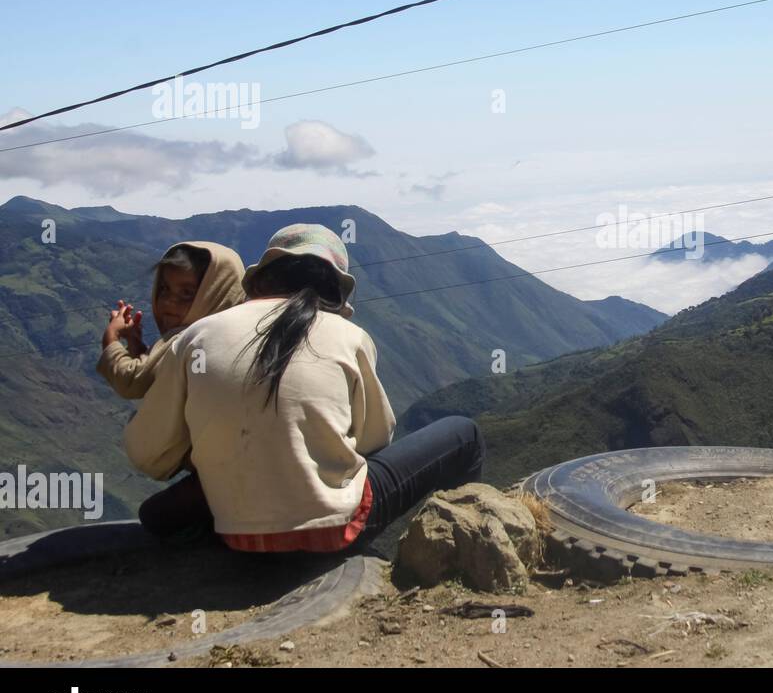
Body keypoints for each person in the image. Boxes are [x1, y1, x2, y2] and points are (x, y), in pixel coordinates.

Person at [123, 224, 485, 551]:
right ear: (335, 289)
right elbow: (376, 438)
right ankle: (463, 547)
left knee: (156, 513)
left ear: (261, 279)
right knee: (464, 434)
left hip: (235, 534)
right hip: (334, 531)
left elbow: (146, 453)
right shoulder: (351, 337)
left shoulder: (197, 335)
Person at [97, 241, 245, 399]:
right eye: (164, 289)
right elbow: (157, 377)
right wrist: (139, 348)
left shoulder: (189, 340)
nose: (169, 302)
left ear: (217, 293)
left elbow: (130, 381)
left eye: (187, 293)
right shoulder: (232, 339)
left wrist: (111, 337)